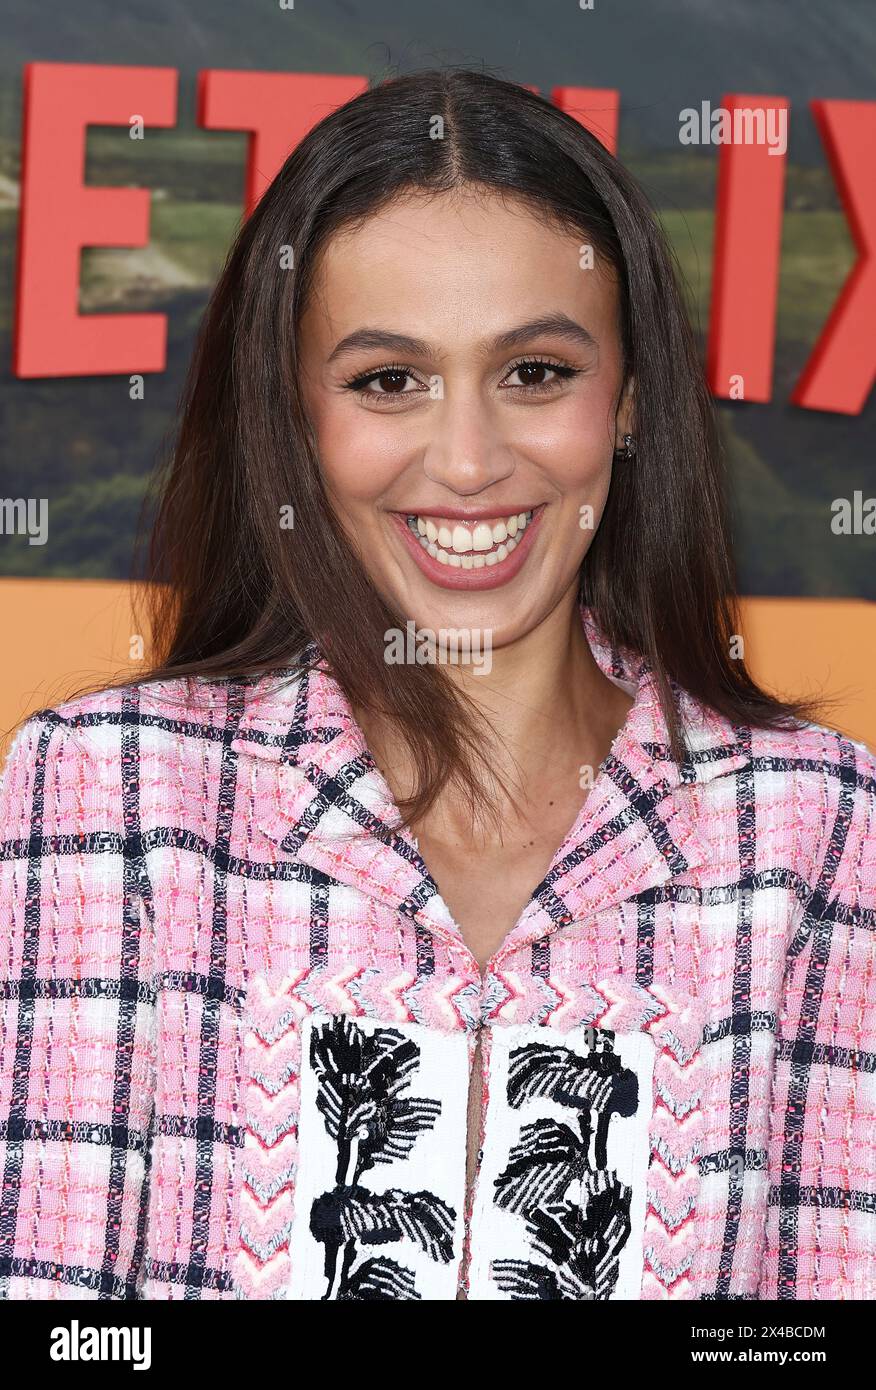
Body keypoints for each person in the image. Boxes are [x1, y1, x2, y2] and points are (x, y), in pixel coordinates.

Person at [1, 68, 874, 1302]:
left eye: (535, 372)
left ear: (625, 402)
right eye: (387, 380)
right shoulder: (110, 795)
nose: (468, 461)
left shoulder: (818, 824)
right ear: (294, 421)